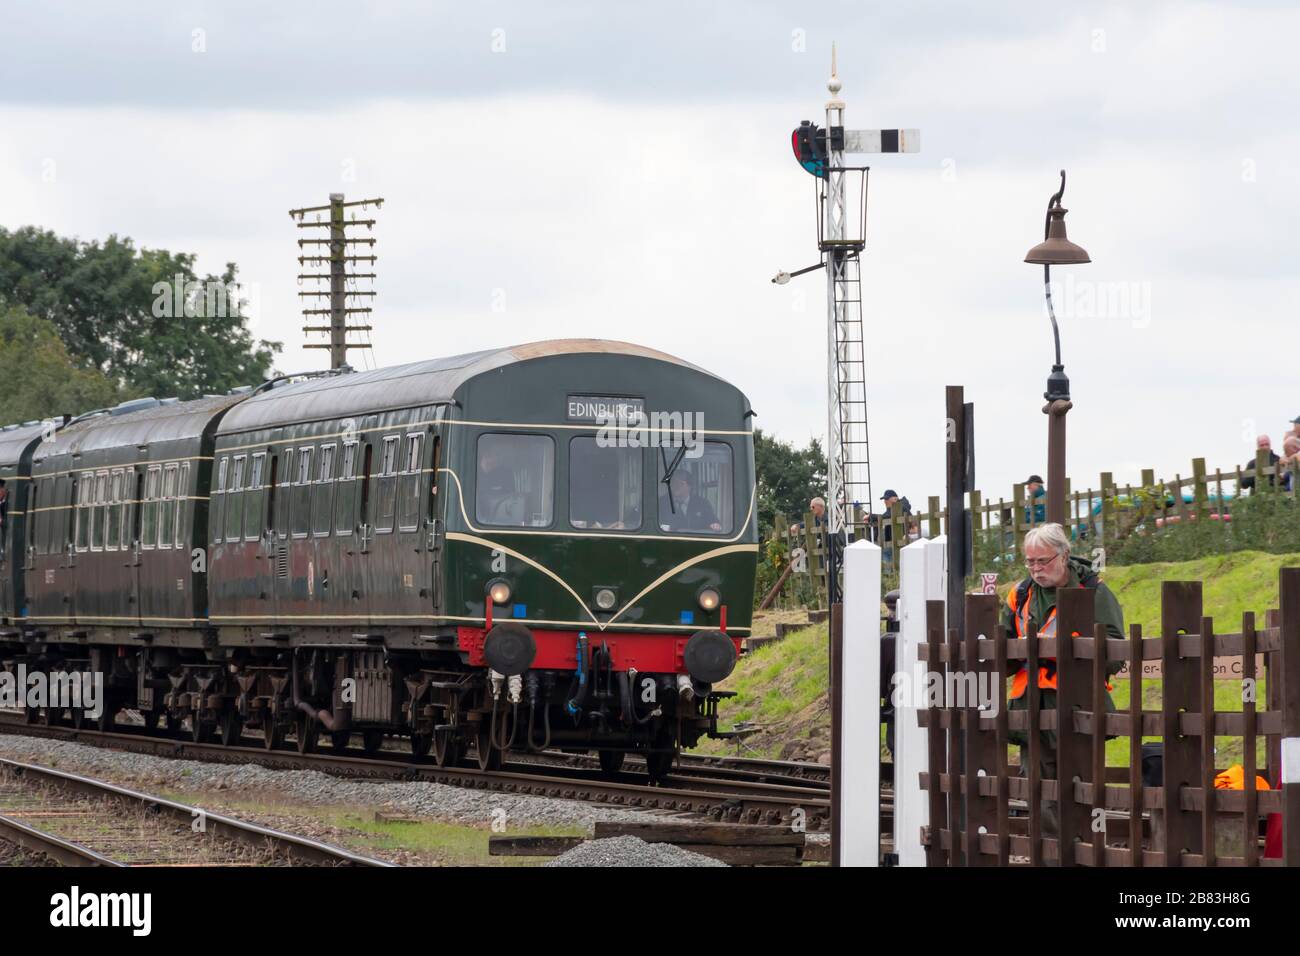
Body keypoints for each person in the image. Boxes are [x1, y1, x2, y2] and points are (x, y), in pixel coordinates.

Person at [1001, 522, 1125, 836]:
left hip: (1078, 706)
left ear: (1064, 555)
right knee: (1039, 792)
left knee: (1080, 788)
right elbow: (1001, 647)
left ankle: (1081, 851)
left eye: (1043, 561)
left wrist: (1067, 654)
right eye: (1030, 561)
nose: (1036, 568)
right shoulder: (1020, 593)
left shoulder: (1094, 591)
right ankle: (1053, 855)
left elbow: (1114, 648)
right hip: (1031, 706)